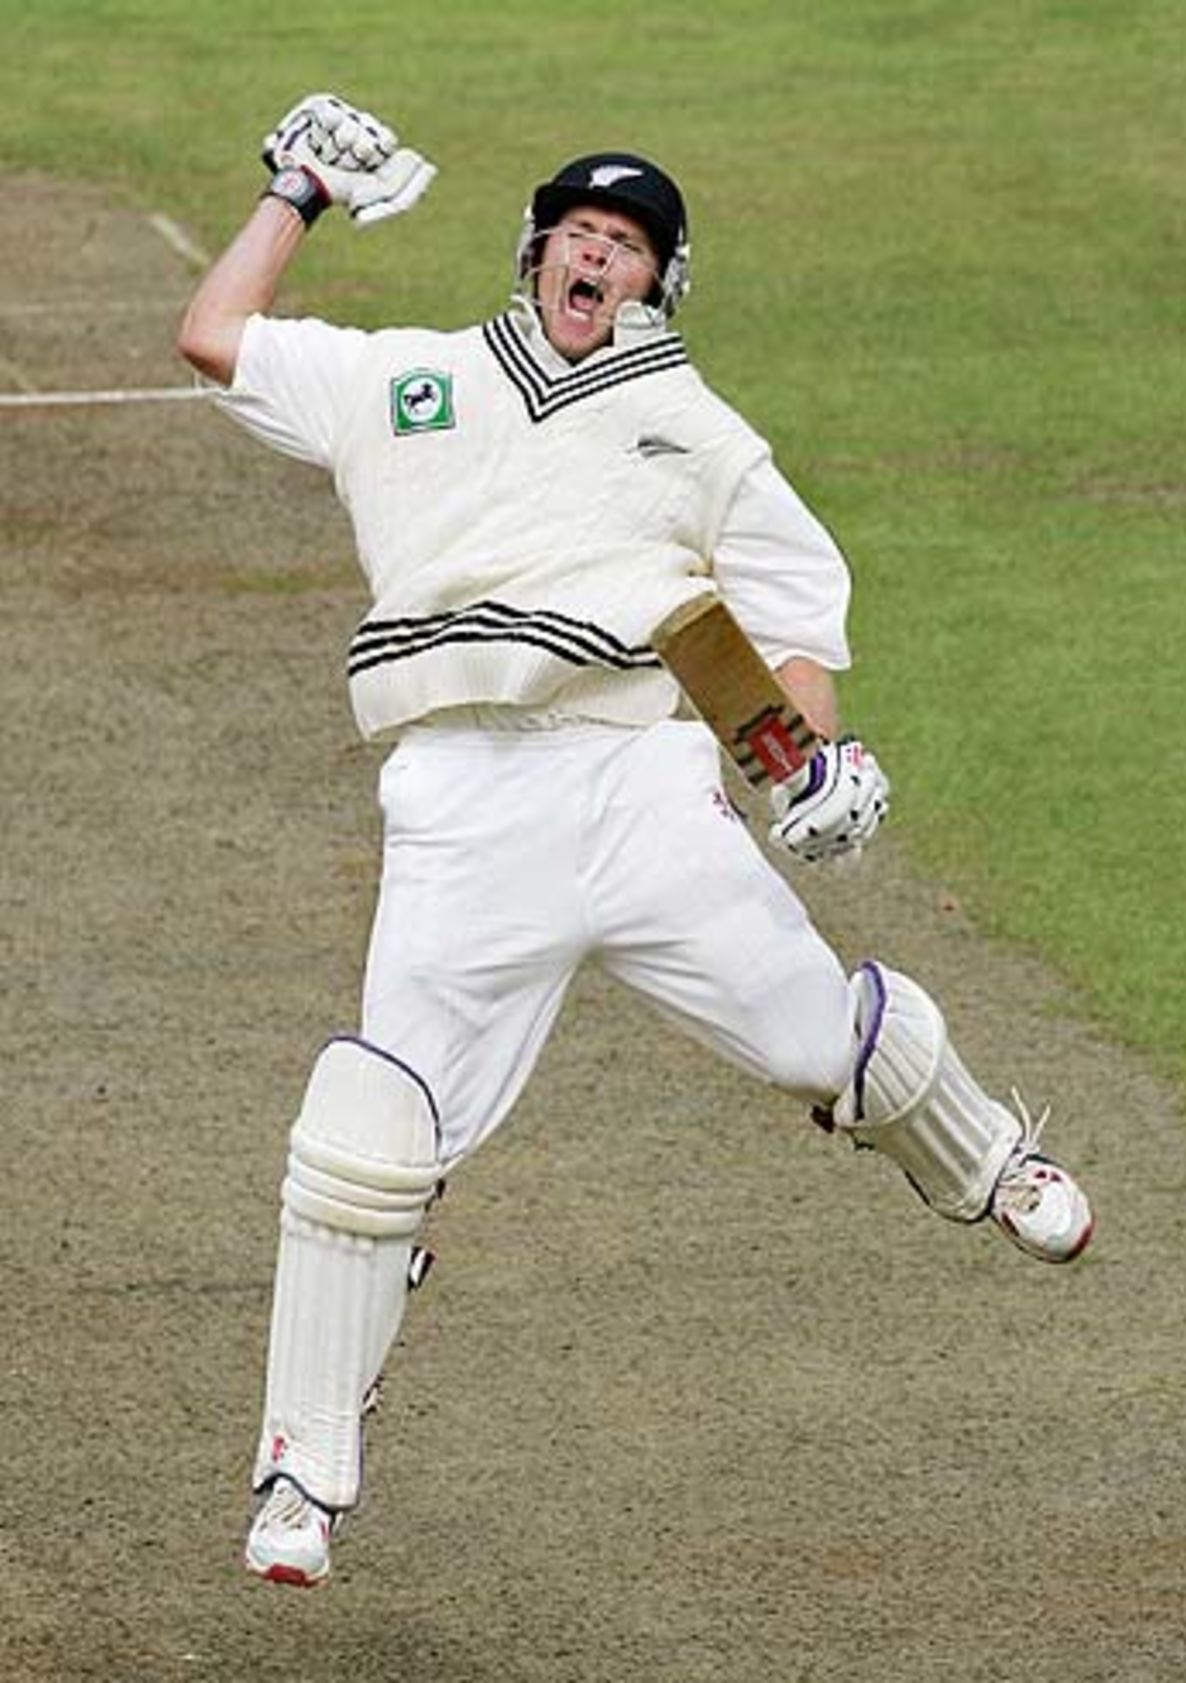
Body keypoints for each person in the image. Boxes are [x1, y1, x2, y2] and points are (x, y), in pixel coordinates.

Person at [178, 92, 1093, 1590]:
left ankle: (994, 1162)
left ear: (660, 281)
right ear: (536, 252)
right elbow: (213, 336)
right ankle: (301, 1483)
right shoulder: (405, 379)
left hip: (638, 777)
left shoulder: (703, 433)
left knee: (822, 1045)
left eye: (627, 245)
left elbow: (794, 618)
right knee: (372, 1140)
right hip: (461, 802)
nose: (596, 258)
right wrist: (297, 196)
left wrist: (819, 752)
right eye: (578, 234)